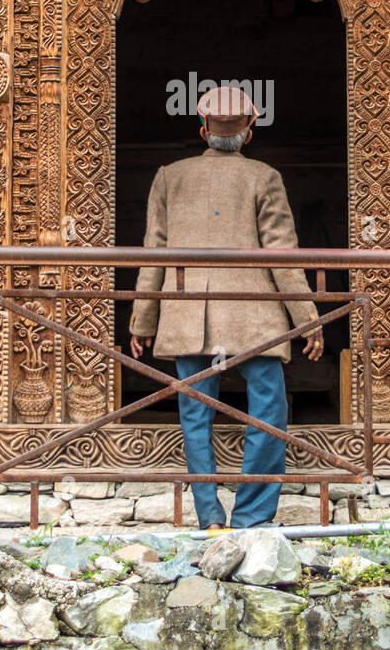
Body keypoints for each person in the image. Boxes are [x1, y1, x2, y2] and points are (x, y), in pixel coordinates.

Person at [130, 84, 322, 530]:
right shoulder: (265, 177)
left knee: (196, 412)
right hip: (254, 316)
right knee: (269, 409)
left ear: (203, 131)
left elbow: (153, 253)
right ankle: (252, 516)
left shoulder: (168, 176)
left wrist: (143, 319)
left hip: (186, 312)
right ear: (249, 134)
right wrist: (308, 320)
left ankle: (210, 516)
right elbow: (282, 256)